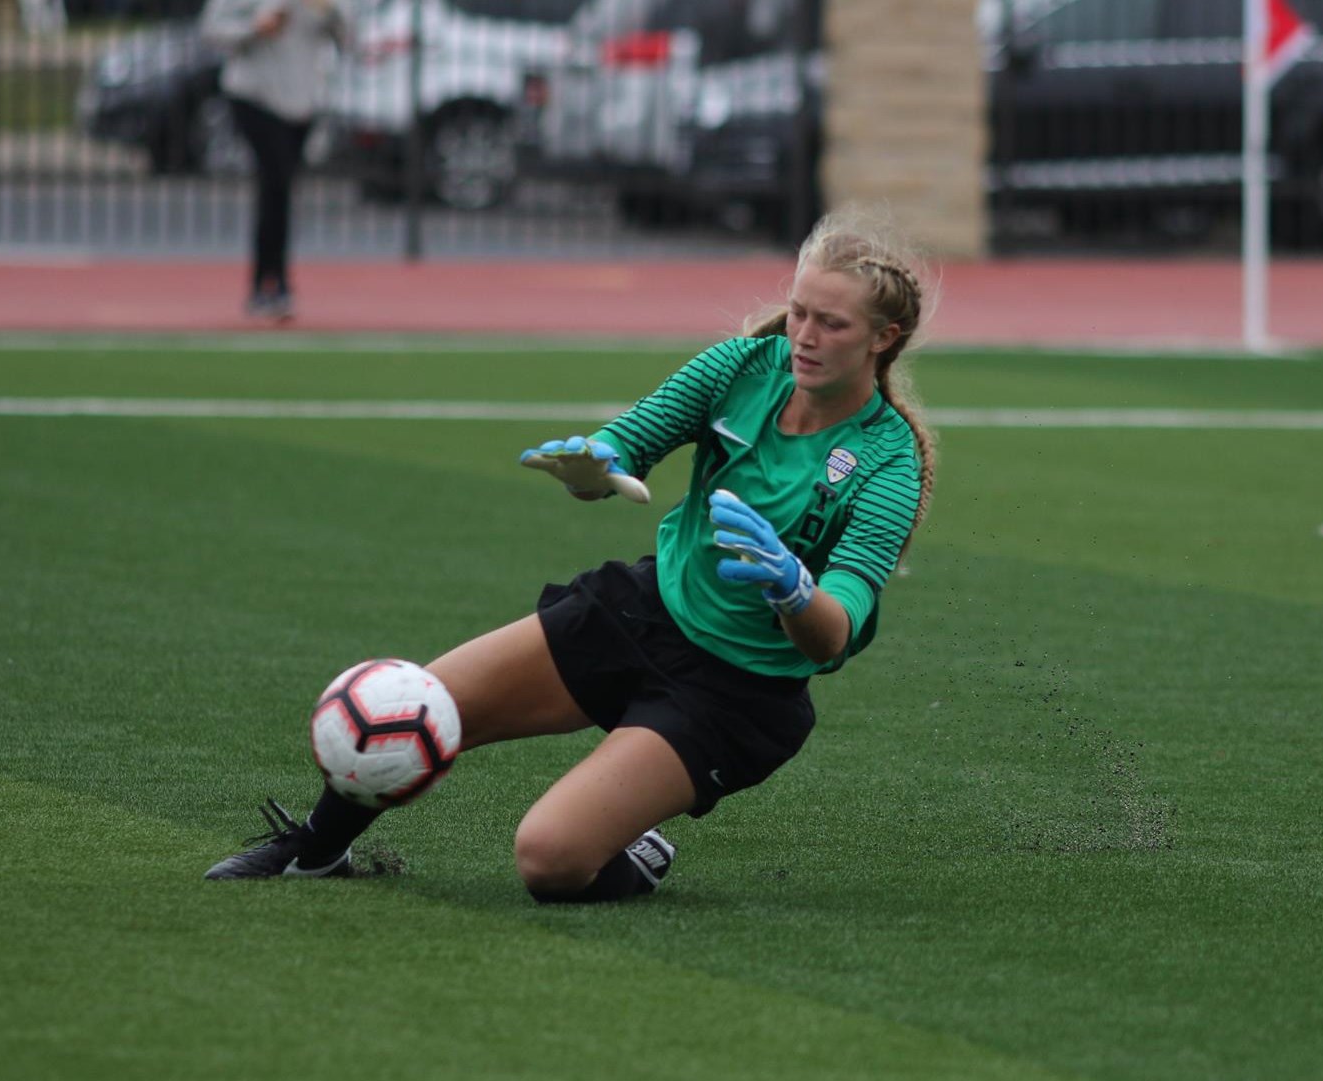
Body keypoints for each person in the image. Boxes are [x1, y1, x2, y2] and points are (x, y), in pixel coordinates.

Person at [205, 209, 940, 903]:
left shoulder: (888, 462)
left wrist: (791, 589)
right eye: (799, 312)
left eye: (831, 324)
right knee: (414, 704)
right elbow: (630, 441)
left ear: (883, 337)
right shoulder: (743, 366)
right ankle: (316, 849)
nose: (804, 336)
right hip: (645, 611)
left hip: (734, 693)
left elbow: (833, 632)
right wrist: (592, 466)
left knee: (549, 859)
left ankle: (633, 847)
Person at [199, 0, 347, 322]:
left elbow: (349, 37)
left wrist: (330, 12)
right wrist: (255, 27)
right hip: (254, 97)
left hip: (301, 103)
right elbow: (211, 30)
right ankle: (269, 283)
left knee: (281, 189)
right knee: (275, 181)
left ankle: (272, 281)